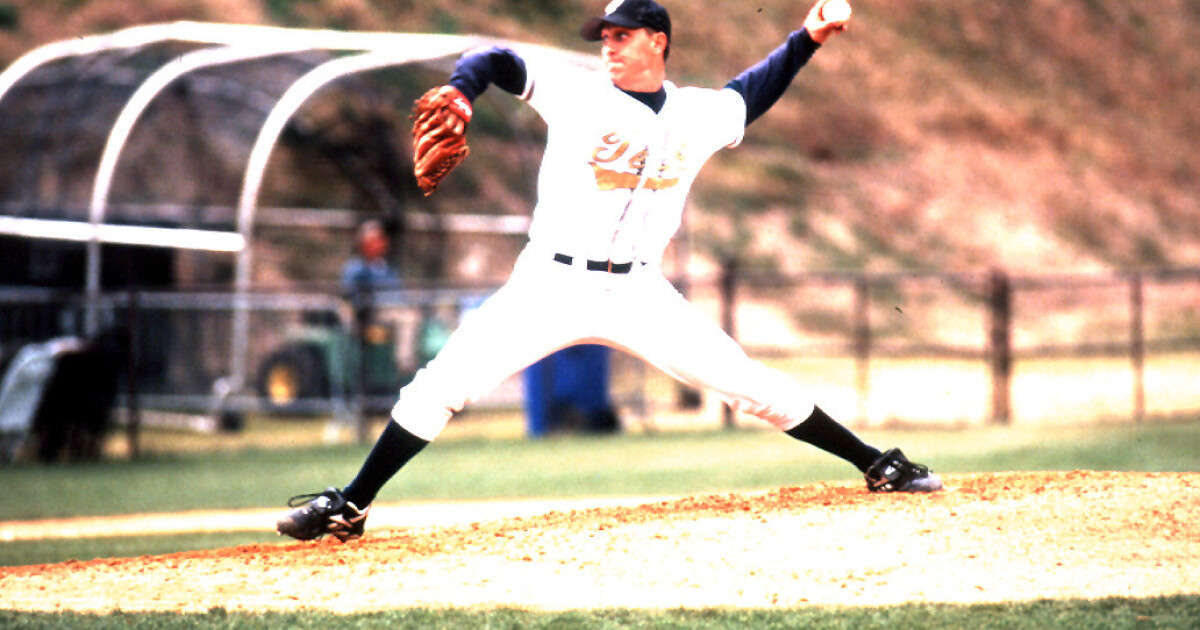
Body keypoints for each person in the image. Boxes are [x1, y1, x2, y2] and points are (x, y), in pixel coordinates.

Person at [277, 0, 942, 543]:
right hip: (549, 284)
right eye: (605, 37)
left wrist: (810, 35)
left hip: (637, 290)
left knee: (749, 385)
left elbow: (755, 90)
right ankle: (352, 505)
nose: (609, 46)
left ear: (657, 41)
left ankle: (877, 465)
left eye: (623, 36)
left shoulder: (698, 115)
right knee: (438, 385)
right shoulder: (576, 96)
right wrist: (462, 89)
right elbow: (496, 57)